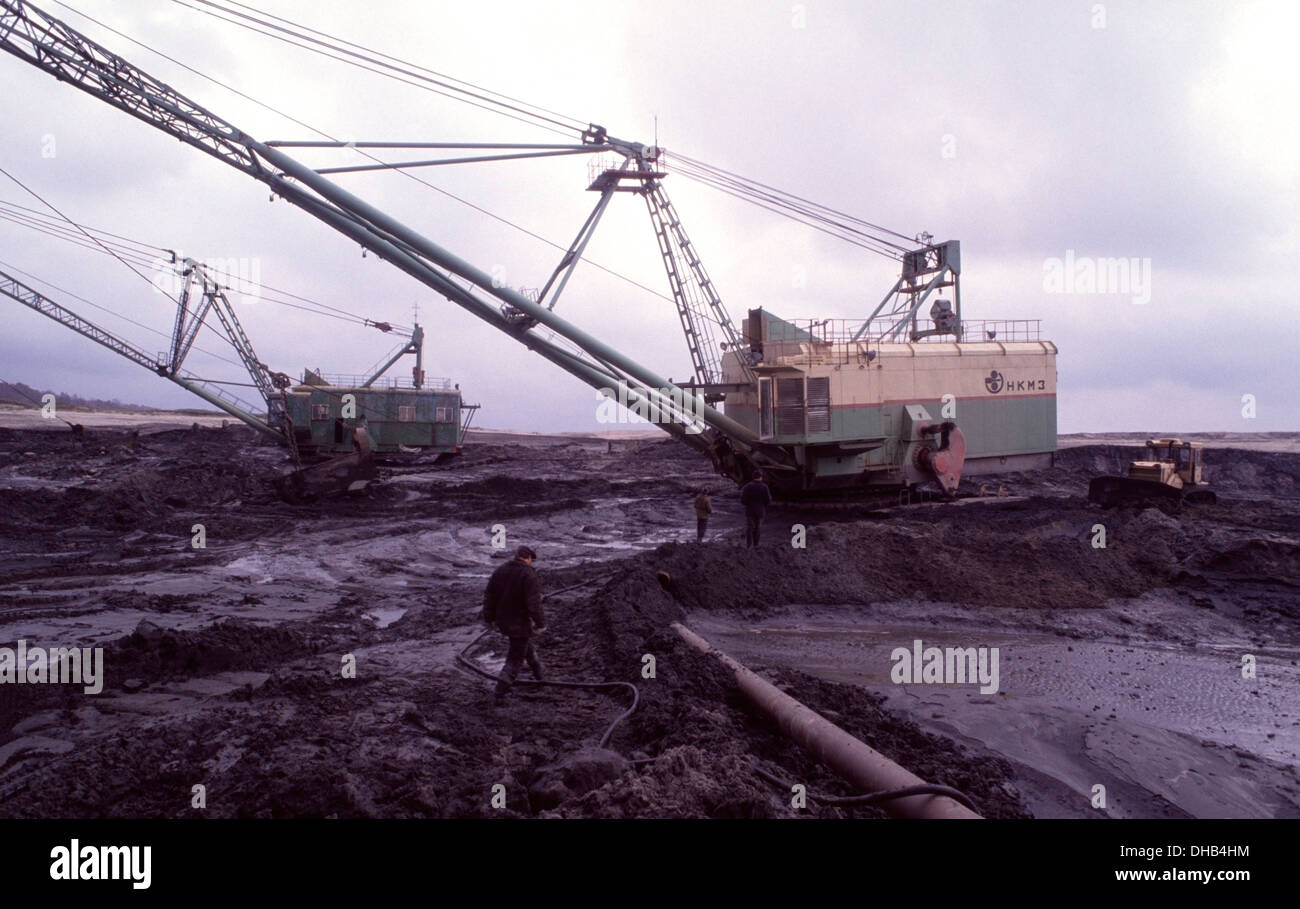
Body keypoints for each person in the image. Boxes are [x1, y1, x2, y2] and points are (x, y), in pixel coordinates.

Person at [482, 545, 546, 704]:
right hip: (519, 623)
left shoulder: (500, 570)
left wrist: (488, 618)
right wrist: (540, 623)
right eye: (531, 560)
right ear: (528, 558)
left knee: (526, 646)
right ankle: (499, 692)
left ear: (517, 555)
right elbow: (534, 604)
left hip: (503, 620)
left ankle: (541, 678)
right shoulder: (528, 574)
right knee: (515, 659)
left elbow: (489, 596)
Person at [739, 470, 772, 549]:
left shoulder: (747, 486)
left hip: (750, 511)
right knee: (758, 529)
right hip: (760, 511)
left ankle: (749, 546)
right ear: (761, 477)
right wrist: (763, 506)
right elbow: (768, 500)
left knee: (750, 528)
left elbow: (743, 500)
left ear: (753, 477)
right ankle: (756, 545)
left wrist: (748, 504)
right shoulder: (764, 487)